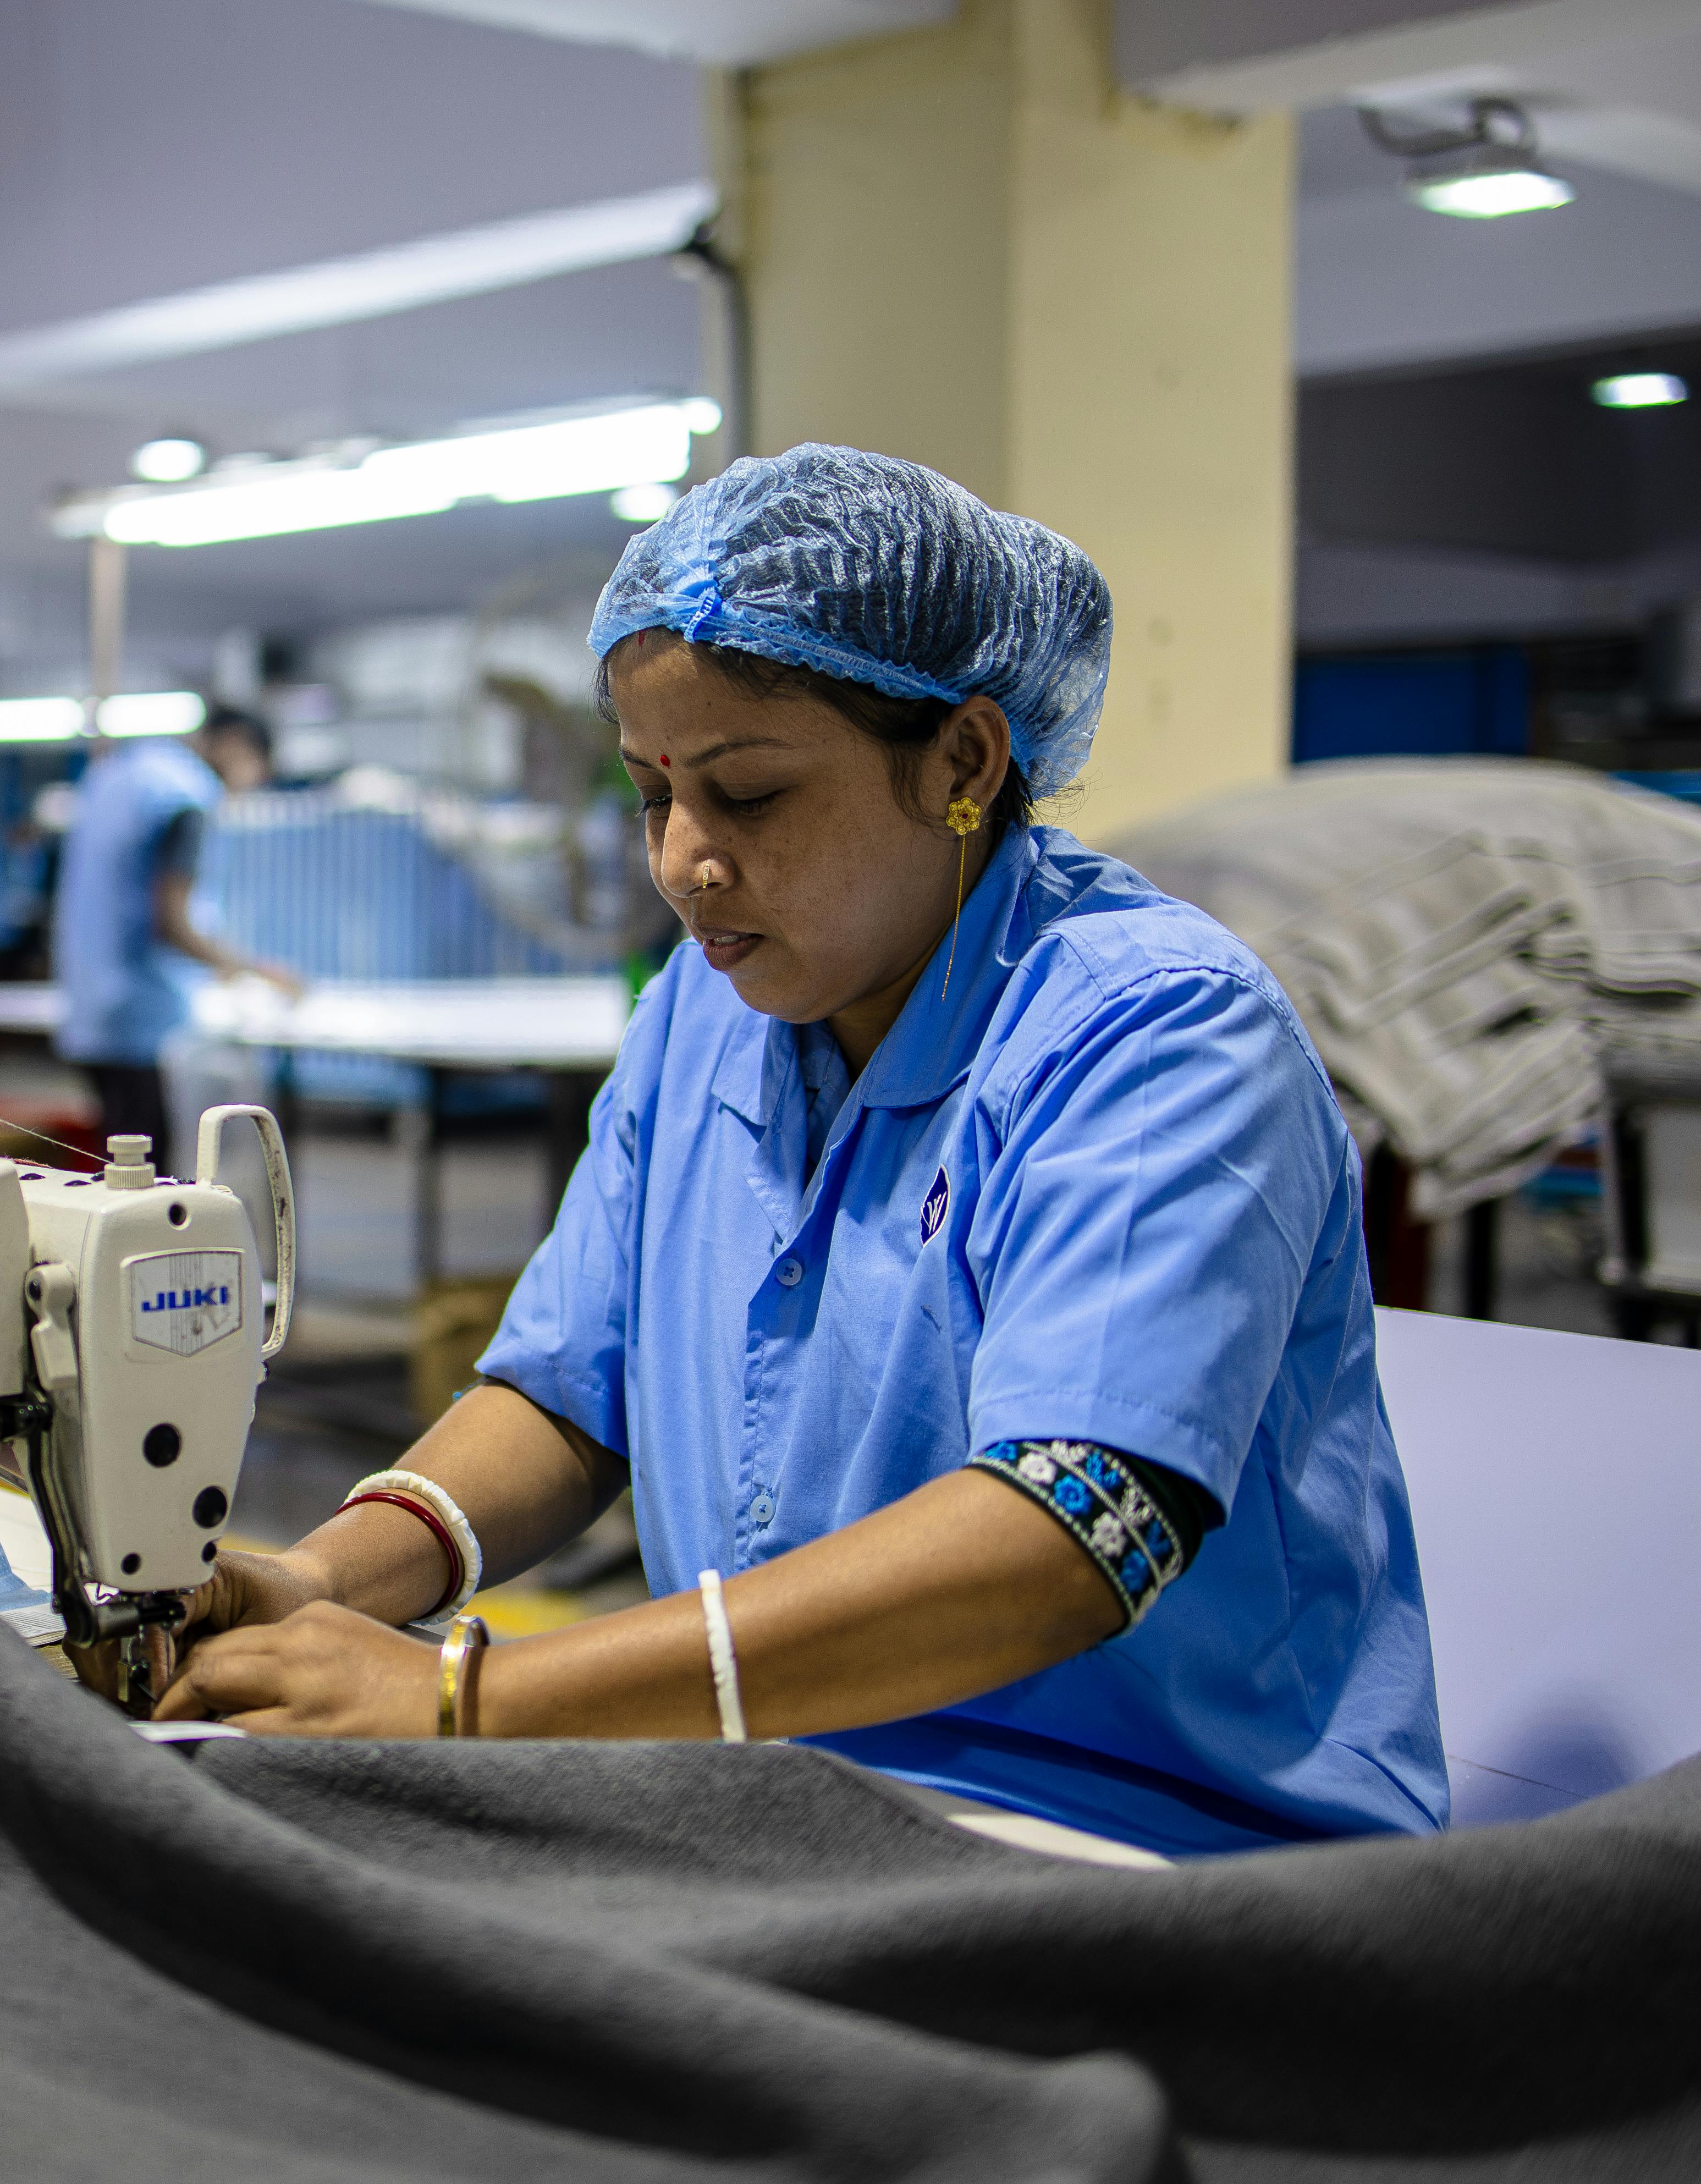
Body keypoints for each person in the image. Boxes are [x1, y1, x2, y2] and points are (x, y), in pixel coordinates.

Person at [147, 445, 1446, 1858]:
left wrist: (472, 1694)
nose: (682, 860)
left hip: (1141, 1839)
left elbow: (1070, 1532)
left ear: (962, 760)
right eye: (652, 791)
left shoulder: (1155, 1040)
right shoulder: (707, 1010)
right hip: (786, 1789)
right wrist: (326, 1582)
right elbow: (575, 1394)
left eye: (748, 793)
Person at [49, 707, 299, 1146]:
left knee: (118, 1162)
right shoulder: (185, 799)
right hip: (139, 1018)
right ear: (235, 744)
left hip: (89, 1004)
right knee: (147, 1181)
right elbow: (174, 923)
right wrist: (253, 969)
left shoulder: (118, 774)